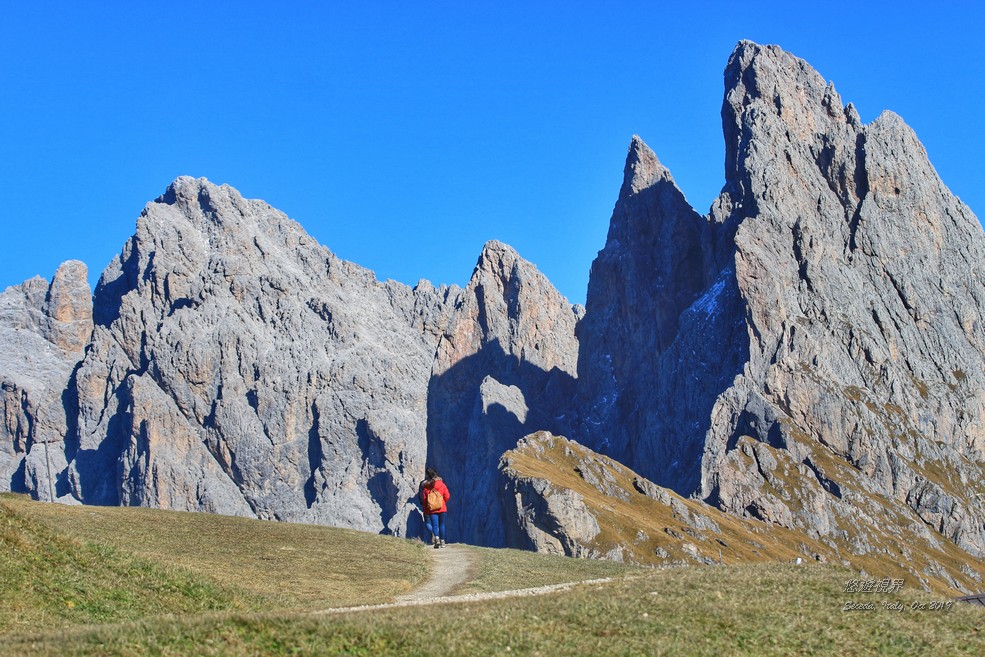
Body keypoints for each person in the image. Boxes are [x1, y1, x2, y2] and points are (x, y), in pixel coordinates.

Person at [419, 467, 450, 548]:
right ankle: (442, 542)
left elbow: (425, 499)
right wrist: (442, 503)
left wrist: (430, 505)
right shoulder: (442, 484)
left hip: (432, 509)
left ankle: (436, 538)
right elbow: (447, 496)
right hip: (442, 508)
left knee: (435, 525)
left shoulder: (426, 487)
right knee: (442, 525)